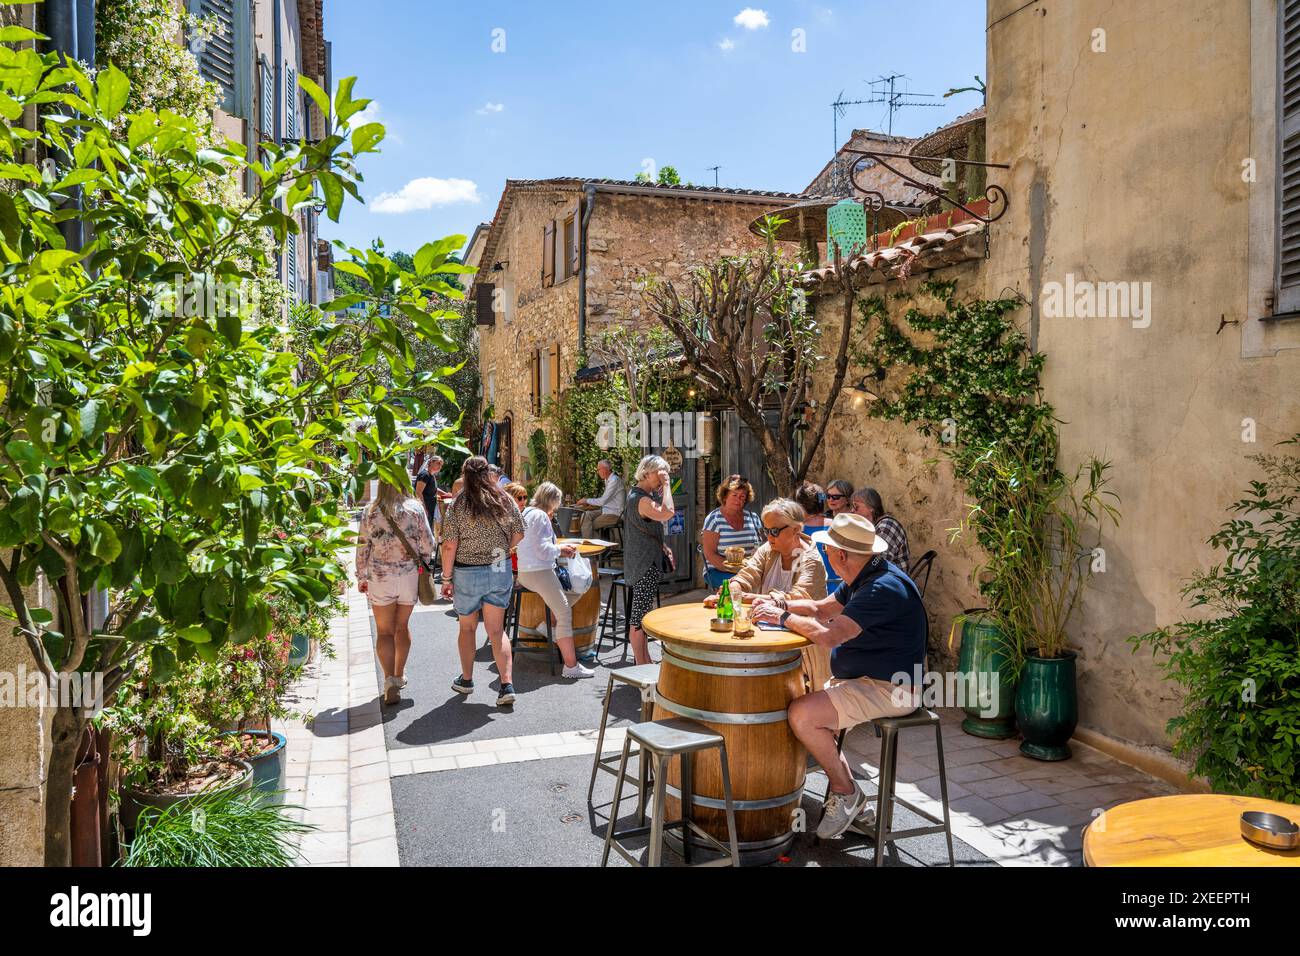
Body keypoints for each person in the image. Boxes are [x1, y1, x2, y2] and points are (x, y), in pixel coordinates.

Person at [750, 513, 927, 840]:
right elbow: (819, 609)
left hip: (893, 688)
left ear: (841, 555)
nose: (826, 553)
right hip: (868, 680)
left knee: (802, 714)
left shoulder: (880, 589)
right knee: (802, 705)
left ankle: (846, 793)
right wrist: (772, 601)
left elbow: (829, 636)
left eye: (828, 548)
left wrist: (782, 616)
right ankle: (856, 806)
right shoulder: (867, 576)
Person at [704, 498, 830, 692]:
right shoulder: (769, 551)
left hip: (802, 648)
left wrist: (747, 598)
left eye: (774, 531)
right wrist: (730, 591)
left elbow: (795, 599)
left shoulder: (808, 559)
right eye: (766, 531)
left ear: (796, 529)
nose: (769, 537)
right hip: (769, 638)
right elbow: (747, 575)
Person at [439, 456, 526, 706]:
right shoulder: (504, 498)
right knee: (497, 631)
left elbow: (449, 545)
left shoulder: (459, 504)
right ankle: (506, 684)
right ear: (487, 473)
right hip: (499, 567)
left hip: (467, 570)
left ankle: (467, 680)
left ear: (465, 476)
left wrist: (446, 578)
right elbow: (519, 532)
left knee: (467, 628)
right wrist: (502, 551)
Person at [356, 479, 436, 706]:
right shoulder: (414, 507)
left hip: (380, 576)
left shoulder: (370, 510)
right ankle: (399, 676)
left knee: (384, 631)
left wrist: (362, 575)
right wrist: (424, 562)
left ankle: (389, 679)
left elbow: (363, 545)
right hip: (408, 576)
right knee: (402, 627)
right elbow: (428, 544)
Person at [516, 481, 597, 679]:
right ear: (553, 502)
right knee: (564, 612)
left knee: (568, 592)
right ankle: (571, 666)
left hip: (525, 572)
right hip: (539, 572)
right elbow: (543, 551)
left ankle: (548, 625)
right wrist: (562, 549)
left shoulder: (527, 512)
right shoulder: (541, 516)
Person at [624, 454, 675, 665]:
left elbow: (643, 528)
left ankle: (644, 662)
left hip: (641, 561)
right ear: (647, 472)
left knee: (641, 616)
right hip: (643, 564)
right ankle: (641, 666)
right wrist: (668, 485)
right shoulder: (642, 499)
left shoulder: (636, 495)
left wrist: (662, 545)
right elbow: (668, 512)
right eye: (660, 473)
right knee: (638, 621)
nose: (662, 477)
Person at [701, 474, 763, 588]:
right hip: (718, 570)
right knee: (737, 585)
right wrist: (734, 570)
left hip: (748, 570)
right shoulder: (713, 519)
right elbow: (709, 554)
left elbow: (760, 547)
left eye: (742, 496)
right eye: (734, 495)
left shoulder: (753, 518)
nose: (738, 499)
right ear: (725, 496)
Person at [850, 487, 911, 570]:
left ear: (871, 507)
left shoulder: (886, 526)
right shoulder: (875, 526)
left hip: (891, 580)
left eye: (856, 506)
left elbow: (877, 562)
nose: (852, 510)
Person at [796, 480, 839, 591]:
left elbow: (795, 567)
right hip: (837, 590)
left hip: (808, 591)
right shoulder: (836, 525)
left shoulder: (796, 530)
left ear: (800, 506)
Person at [578, 459, 625, 539]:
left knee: (588, 525)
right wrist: (589, 503)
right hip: (606, 511)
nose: (598, 472)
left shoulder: (614, 480)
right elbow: (606, 501)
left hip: (614, 514)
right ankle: (593, 544)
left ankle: (594, 547)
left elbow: (603, 501)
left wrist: (586, 500)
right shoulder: (608, 480)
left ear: (605, 469)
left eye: (599, 469)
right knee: (585, 515)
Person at [413, 454, 451, 542]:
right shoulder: (425, 475)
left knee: (428, 529)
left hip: (430, 508)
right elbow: (418, 492)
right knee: (423, 531)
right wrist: (424, 508)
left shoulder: (431, 475)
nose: (440, 466)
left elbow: (434, 489)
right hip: (425, 508)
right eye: (438, 463)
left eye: (441, 464)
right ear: (431, 462)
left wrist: (447, 494)